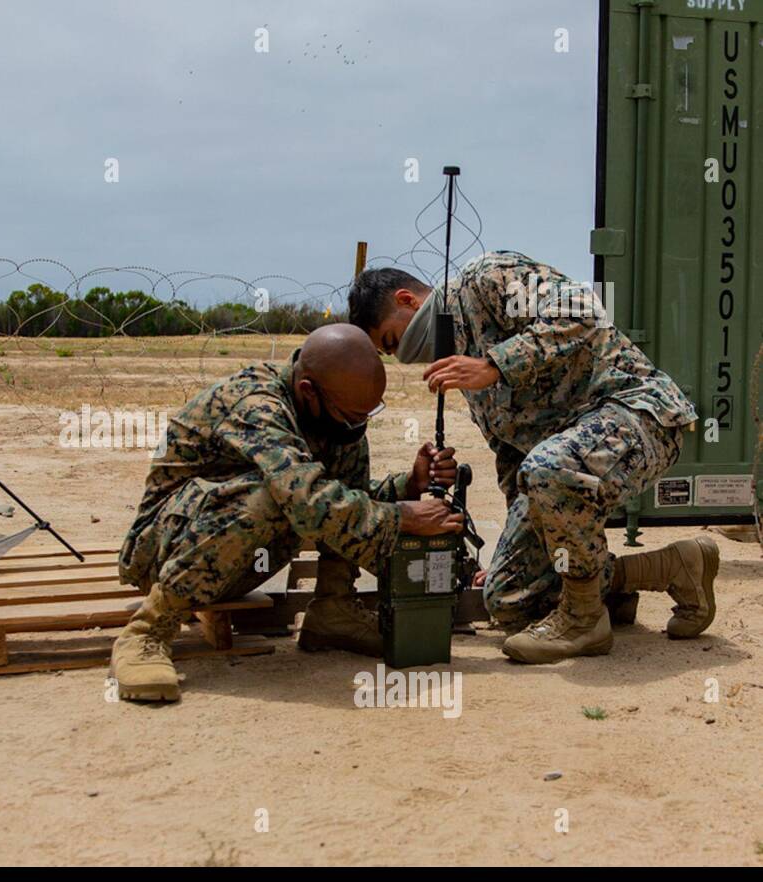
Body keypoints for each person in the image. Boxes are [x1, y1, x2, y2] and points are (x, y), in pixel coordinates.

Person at [348, 252, 717, 664]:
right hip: (560, 462)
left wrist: (495, 364)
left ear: (407, 300)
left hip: (636, 415)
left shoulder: (485, 278)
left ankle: (584, 620)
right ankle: (676, 567)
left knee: (549, 466)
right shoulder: (458, 358)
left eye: (392, 341)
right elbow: (512, 460)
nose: (401, 355)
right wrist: (518, 547)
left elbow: (582, 310)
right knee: (509, 597)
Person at [112, 324, 462, 702]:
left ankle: (333, 609)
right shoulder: (256, 404)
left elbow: (344, 497)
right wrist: (402, 519)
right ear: (307, 391)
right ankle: (148, 632)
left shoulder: (326, 414)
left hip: (232, 563)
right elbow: (308, 502)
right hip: (163, 555)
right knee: (276, 494)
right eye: (350, 415)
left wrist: (408, 485)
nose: (357, 426)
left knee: (336, 460)